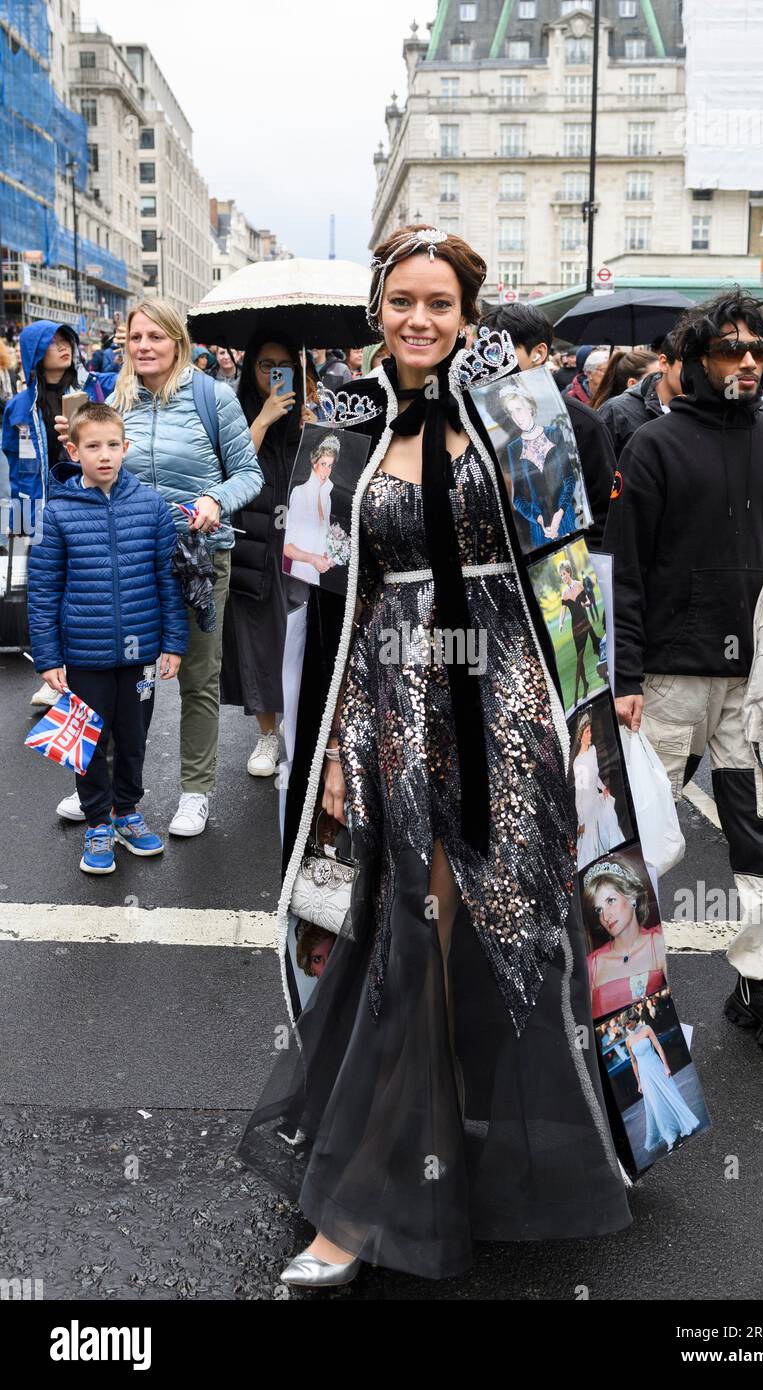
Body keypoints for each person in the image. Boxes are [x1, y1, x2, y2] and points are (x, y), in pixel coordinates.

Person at [238, 223, 631, 1288]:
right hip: (384, 707)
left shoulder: (521, 415)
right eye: (402, 301)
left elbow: (564, 572)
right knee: (393, 932)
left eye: (440, 303)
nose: (419, 319)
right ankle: (377, 1190)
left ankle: (425, 1176)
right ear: (378, 311)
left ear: (469, 315)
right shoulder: (340, 432)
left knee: (492, 933)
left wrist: (583, 715)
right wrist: (322, 743)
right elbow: (325, 602)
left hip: (497, 702)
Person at [603, 290, 763, 1061]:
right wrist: (625, 676)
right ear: (698, 358)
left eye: (758, 351)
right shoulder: (654, 446)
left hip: (754, 681)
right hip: (666, 676)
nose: (747, 363)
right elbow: (625, 575)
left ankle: (762, 984)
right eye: (731, 349)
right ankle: (626, 988)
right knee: (640, 840)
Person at [54, 300, 264, 835]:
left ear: (178, 341)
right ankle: (95, 789)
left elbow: (248, 473)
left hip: (195, 559)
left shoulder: (212, 397)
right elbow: (93, 475)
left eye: (156, 336)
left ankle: (195, 791)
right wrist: (76, 451)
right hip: (122, 559)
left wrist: (216, 499)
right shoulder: (111, 397)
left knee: (196, 678)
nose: (144, 345)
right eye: (135, 336)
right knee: (102, 679)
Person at [26, 402, 187, 874]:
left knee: (133, 736)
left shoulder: (151, 506)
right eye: (92, 446)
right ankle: (98, 821)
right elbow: (43, 589)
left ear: (126, 448)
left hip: (139, 653)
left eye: (113, 445)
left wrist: (174, 643)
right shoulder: (57, 514)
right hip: (84, 654)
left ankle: (127, 813)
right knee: (89, 740)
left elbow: (168, 580)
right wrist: (49, 657)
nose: (104, 455)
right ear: (74, 451)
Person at [1, 321, 118, 710]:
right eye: (51, 343)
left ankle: (86, 669)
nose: (62, 347)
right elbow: (13, 461)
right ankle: (53, 674)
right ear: (35, 353)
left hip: (83, 499)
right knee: (41, 589)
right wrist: (16, 517)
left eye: (65, 339)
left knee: (83, 586)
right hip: (36, 507)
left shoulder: (93, 388)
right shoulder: (19, 406)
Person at [220, 337, 319, 778]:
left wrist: (318, 433)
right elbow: (225, 474)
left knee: (302, 632)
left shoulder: (310, 409)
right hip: (254, 540)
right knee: (259, 636)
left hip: (301, 541)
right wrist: (260, 421)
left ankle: (306, 728)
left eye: (284, 365)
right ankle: (268, 733)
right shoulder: (233, 410)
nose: (274, 374)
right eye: (265, 365)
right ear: (250, 368)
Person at [479, 303, 614, 548]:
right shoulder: (476, 421)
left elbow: (606, 510)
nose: (491, 363)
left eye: (501, 352)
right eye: (485, 352)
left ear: (538, 353)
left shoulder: (579, 422)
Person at [499, 377, 581, 548]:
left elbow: (569, 479)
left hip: (565, 516)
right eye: (511, 412)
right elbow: (518, 498)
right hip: (540, 526)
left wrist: (560, 514)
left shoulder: (554, 433)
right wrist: (539, 519)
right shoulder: (513, 448)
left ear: (529, 407)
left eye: (519, 409)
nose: (516, 417)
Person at [582, 858, 666, 1019]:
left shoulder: (658, 941)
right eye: (599, 909)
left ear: (632, 897)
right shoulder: (591, 965)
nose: (605, 916)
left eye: (610, 901)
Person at [596, 334, 683, 458]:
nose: (694, 376)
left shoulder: (706, 407)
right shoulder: (617, 411)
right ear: (663, 364)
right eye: (686, 367)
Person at [623, 1015, 700, 1155]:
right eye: (624, 1024)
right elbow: (633, 1062)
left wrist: (666, 1066)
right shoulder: (628, 1040)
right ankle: (670, 1138)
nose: (626, 1025)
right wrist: (639, 1082)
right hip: (645, 1075)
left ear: (634, 1019)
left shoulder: (646, 1029)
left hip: (657, 1067)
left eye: (628, 1022)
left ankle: (682, 1125)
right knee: (657, 1106)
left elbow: (658, 1046)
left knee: (670, 1096)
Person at [282, 433, 340, 585]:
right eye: (323, 464)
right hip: (295, 577)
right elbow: (285, 546)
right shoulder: (300, 492)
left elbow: (323, 541)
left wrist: (331, 557)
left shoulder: (327, 498)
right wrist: (313, 559)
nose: (326, 471)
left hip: (315, 577)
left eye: (330, 466)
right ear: (314, 463)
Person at [573, 710, 624, 870]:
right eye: (587, 732)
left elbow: (595, 776)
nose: (590, 735)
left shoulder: (593, 750)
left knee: (608, 827)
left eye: (590, 731)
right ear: (580, 736)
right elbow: (579, 796)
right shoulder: (579, 763)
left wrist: (603, 788)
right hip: (586, 808)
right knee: (589, 843)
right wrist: (581, 822)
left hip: (596, 799)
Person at [558, 559, 601, 703]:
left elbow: (588, 601)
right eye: (561, 575)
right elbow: (563, 610)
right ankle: (584, 685)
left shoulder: (578, 585)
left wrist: (585, 603)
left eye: (564, 574)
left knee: (596, 645)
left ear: (569, 572)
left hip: (585, 622)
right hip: (575, 627)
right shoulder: (564, 593)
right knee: (579, 659)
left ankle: (578, 693)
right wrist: (561, 623)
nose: (563, 577)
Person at [589, 348, 659, 410]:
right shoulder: (614, 415)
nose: (663, 382)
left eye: (664, 375)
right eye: (655, 377)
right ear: (632, 384)